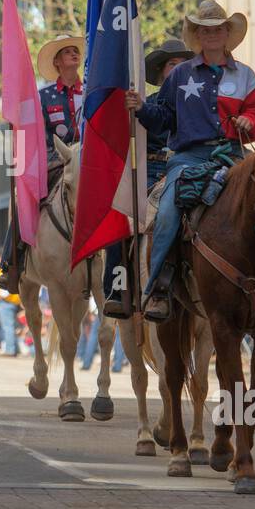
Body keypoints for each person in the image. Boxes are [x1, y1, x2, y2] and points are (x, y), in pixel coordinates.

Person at [123, 0, 255, 322]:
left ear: (227, 33)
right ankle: (160, 286)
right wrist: (141, 107)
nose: (212, 34)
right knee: (166, 210)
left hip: (234, 155)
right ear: (198, 35)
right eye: (205, 30)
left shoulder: (245, 76)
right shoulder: (180, 75)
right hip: (189, 157)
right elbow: (162, 118)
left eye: (218, 28)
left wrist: (249, 119)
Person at [103, 37, 193, 318]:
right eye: (172, 65)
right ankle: (117, 289)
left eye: (183, 65)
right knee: (120, 217)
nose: (178, 70)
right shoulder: (146, 103)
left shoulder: (199, 104)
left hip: (192, 168)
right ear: (161, 72)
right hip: (153, 170)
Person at [0, 34, 85, 294]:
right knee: (26, 202)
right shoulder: (42, 97)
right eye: (67, 52)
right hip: (55, 163)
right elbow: (38, 135)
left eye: (75, 50)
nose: (73, 54)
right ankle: (11, 263)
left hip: (87, 164)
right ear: (57, 62)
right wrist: (58, 159)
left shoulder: (90, 93)